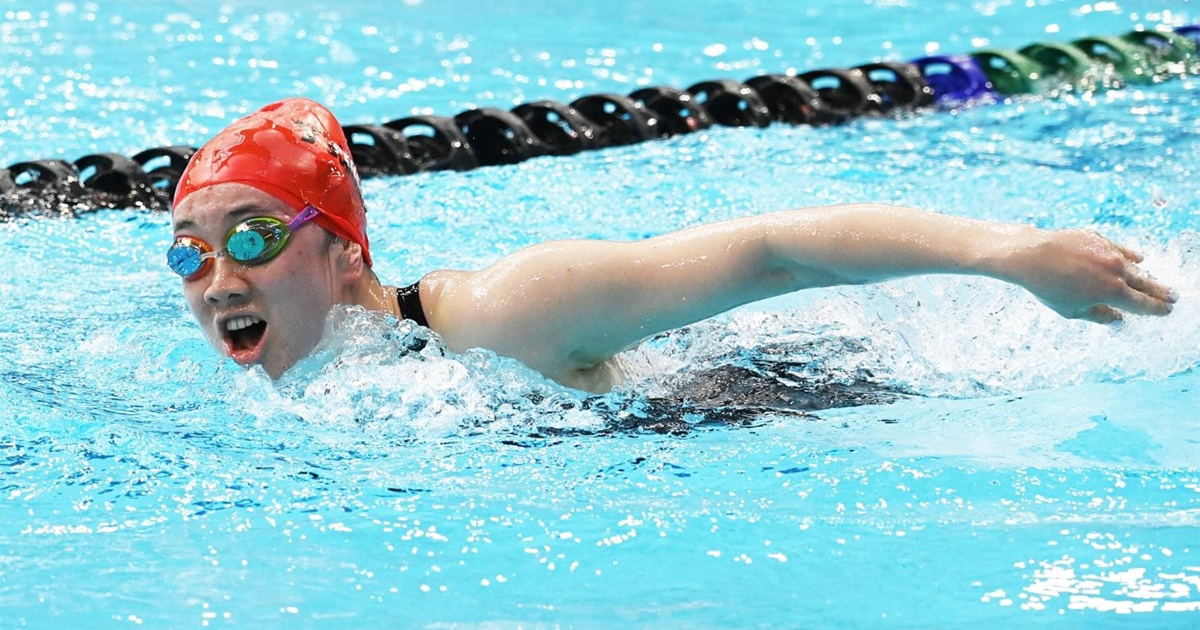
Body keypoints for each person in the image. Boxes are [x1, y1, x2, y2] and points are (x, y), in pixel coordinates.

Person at [168, 98, 1177, 393]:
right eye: (188, 252)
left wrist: (1013, 253)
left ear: (348, 251)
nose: (218, 280)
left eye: (250, 235)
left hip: (788, 403)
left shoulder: (505, 313)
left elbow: (775, 248)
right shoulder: (298, 378)